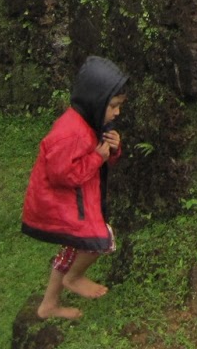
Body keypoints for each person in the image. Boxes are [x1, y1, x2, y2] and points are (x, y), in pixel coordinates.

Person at [22, 56, 128, 321]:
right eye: (113, 106)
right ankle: (74, 277)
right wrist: (97, 158)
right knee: (100, 240)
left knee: (70, 249)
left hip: (74, 200)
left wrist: (112, 150)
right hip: (60, 202)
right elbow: (61, 175)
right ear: (96, 100)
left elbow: (98, 161)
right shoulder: (71, 133)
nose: (117, 113)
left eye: (119, 106)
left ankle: (49, 305)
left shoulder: (91, 123)